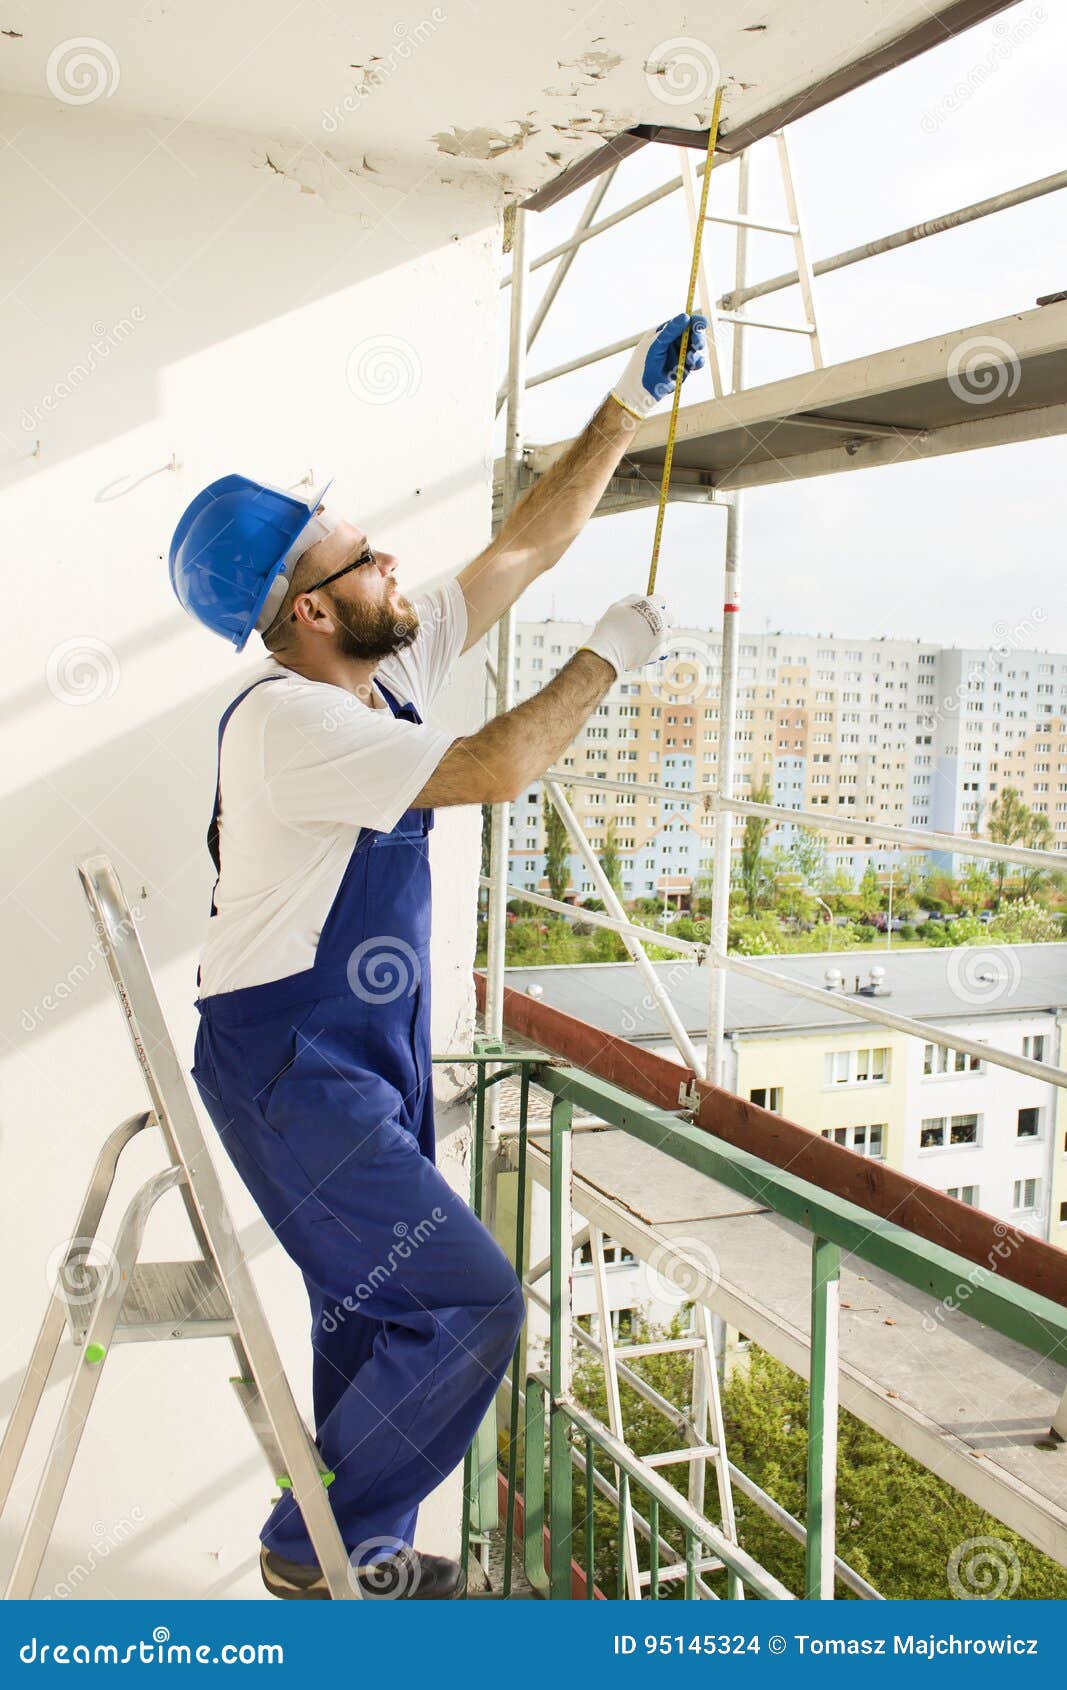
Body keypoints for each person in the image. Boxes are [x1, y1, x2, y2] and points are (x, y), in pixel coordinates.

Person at [168, 313, 706, 1600]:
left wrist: (626, 404)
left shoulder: (377, 674)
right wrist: (608, 657)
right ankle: (307, 1549)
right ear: (312, 608)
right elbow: (503, 765)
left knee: (375, 1306)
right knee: (467, 1301)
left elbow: (521, 548)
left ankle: (363, 1555)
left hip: (359, 1051)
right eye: (364, 557)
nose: (392, 560)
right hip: (292, 1067)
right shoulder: (293, 723)